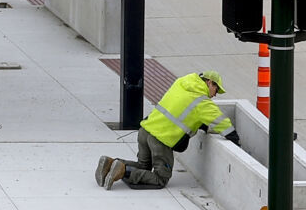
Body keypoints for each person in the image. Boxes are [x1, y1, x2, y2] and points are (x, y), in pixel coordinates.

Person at [96, 72, 240, 190]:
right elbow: (223, 124)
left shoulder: (181, 84)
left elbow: (181, 110)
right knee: (160, 179)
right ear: (209, 82)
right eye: (216, 90)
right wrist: (236, 141)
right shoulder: (202, 102)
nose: (215, 95)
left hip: (145, 130)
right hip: (160, 140)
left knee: (143, 167)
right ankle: (123, 170)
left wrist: (200, 124)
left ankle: (110, 163)